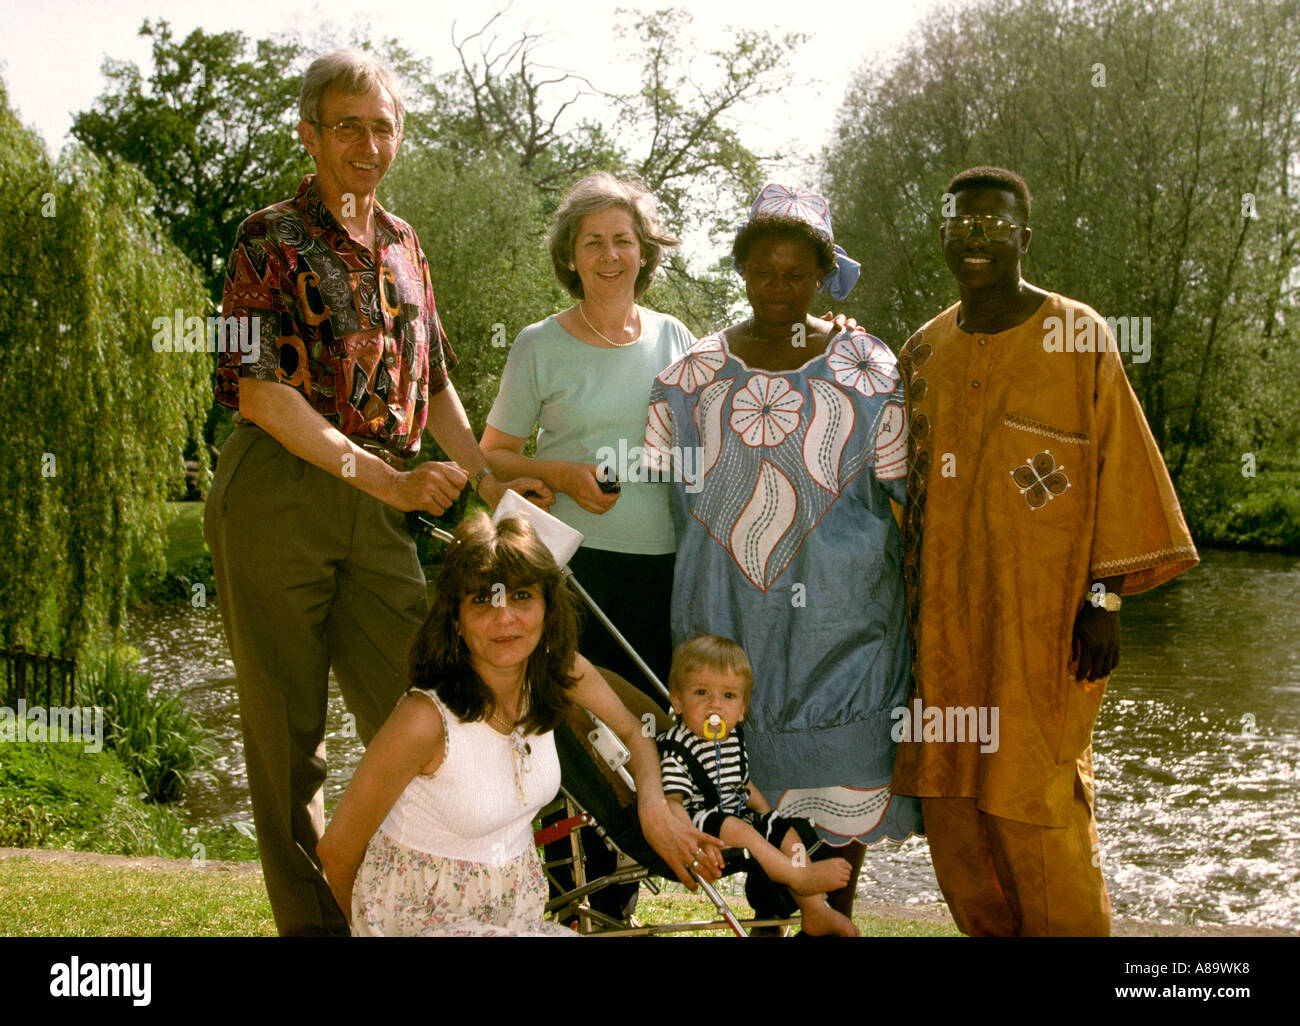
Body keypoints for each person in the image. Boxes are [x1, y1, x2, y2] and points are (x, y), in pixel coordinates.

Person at [203, 49, 549, 936]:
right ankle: (317, 929)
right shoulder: (265, 237)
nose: (367, 142)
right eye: (348, 124)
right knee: (289, 740)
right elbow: (257, 390)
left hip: (387, 506)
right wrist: (386, 478)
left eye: (383, 125)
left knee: (437, 698)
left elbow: (431, 387)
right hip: (283, 488)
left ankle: (438, 910)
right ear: (310, 132)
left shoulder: (404, 243)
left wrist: (486, 479)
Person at [891, 166, 1199, 937]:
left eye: (994, 226)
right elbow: (895, 498)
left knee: (1041, 800)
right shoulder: (922, 354)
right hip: (942, 638)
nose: (977, 239)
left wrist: (1104, 600)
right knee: (955, 805)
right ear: (942, 234)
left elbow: (1121, 472)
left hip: (1045, 630)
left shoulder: (1077, 336)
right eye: (962, 224)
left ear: (1025, 238)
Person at [644, 184, 923, 926]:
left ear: (824, 275)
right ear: (739, 270)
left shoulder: (867, 363)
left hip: (846, 632)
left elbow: (901, 487)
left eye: (796, 273)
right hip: (729, 633)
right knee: (749, 810)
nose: (778, 287)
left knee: (837, 832)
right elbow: (666, 497)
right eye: (764, 271)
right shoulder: (690, 376)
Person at [317, 513, 723, 935]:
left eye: (522, 596)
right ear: (455, 619)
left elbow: (634, 731)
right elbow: (337, 851)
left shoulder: (557, 672)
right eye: (481, 600)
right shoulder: (424, 721)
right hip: (424, 924)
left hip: (517, 919)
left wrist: (654, 807)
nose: (505, 617)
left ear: (548, 607)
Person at [480, 173, 695, 700]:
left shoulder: (678, 338)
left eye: (623, 240)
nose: (610, 254)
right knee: (573, 731)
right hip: (568, 566)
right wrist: (561, 475)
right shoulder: (537, 344)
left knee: (658, 726)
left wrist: (823, 338)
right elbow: (491, 456)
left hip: (667, 567)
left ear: (644, 253)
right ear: (570, 257)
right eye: (592, 242)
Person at [658, 635, 858, 936]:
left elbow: (742, 783)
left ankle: (813, 907)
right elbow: (672, 801)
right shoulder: (678, 747)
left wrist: (766, 812)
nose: (715, 705)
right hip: (699, 824)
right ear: (677, 700)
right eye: (701, 692)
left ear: (742, 710)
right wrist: (691, 840)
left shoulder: (733, 739)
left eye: (728, 696)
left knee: (787, 830)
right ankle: (798, 877)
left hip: (733, 816)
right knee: (736, 827)